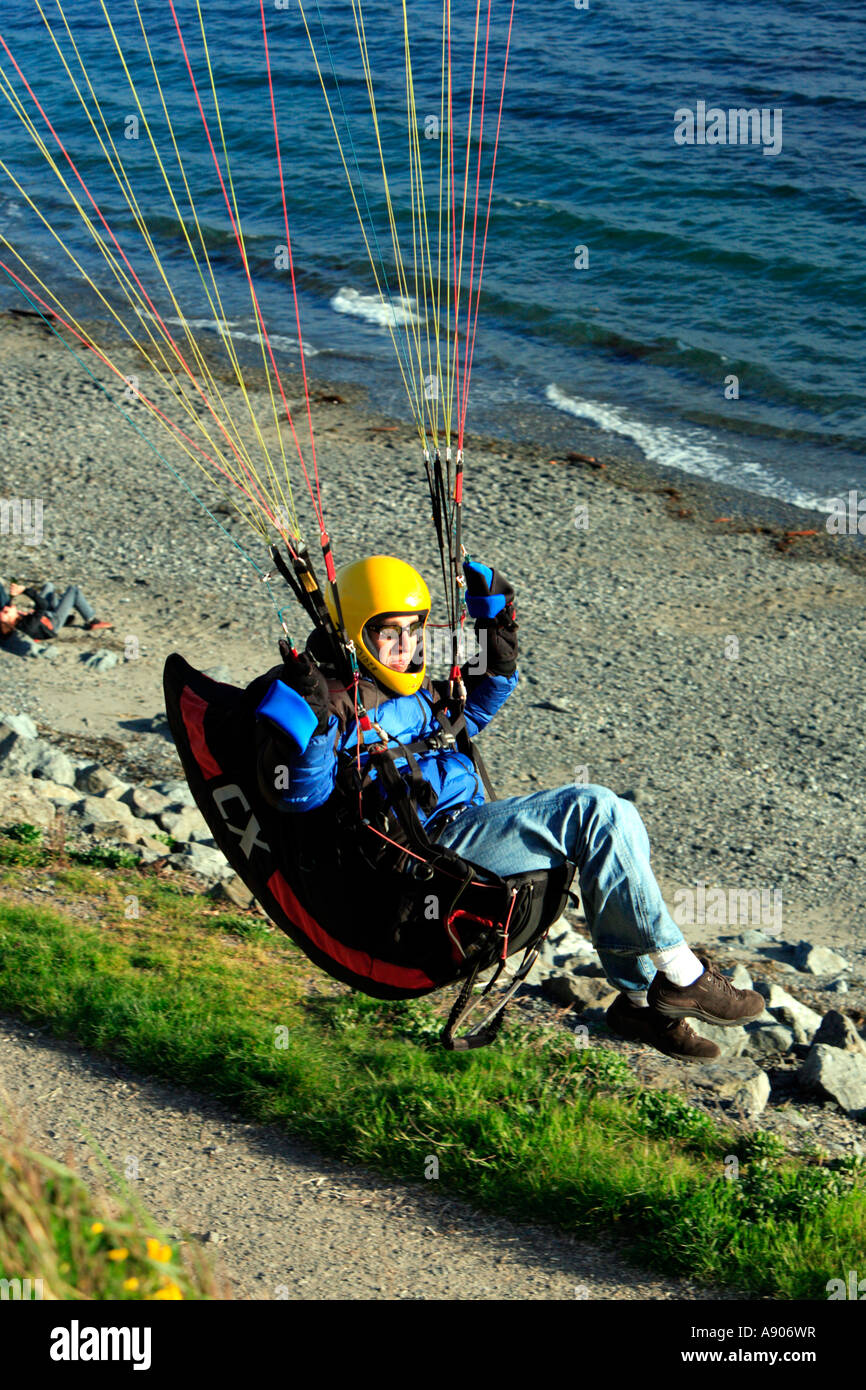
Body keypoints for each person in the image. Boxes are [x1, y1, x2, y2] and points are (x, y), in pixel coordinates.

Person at [254, 554, 764, 1062]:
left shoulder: (414, 691)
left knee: (618, 821)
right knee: (596, 812)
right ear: (356, 635)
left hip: (470, 829)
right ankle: (684, 975)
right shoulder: (333, 703)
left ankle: (639, 1002)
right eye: (389, 632)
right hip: (425, 855)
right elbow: (299, 795)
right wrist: (314, 723)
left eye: (415, 629)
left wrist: (493, 616)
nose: (406, 645)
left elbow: (474, 704)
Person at [0, 577, 112, 646]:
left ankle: (65, 617)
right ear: (11, 621)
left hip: (42, 617)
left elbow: (8, 607)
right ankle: (92, 620)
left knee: (49, 586)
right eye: (6, 612)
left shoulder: (15, 620)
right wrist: (25, 590)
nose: (5, 609)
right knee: (73, 591)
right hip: (52, 623)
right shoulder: (28, 624)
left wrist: (15, 592)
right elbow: (42, 605)